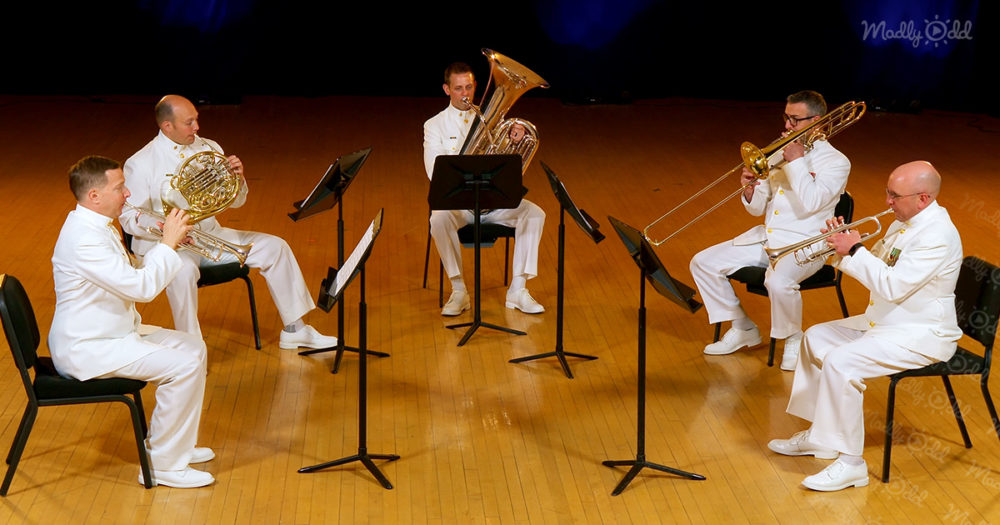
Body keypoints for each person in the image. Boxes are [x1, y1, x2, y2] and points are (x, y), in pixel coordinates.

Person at [768, 161, 962, 491]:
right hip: (888, 322)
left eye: (894, 195)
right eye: (888, 192)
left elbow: (892, 286)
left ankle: (851, 464)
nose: (887, 201)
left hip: (921, 333)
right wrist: (840, 246)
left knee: (842, 362)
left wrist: (855, 249)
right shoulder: (904, 222)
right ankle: (822, 437)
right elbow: (876, 267)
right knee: (815, 337)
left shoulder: (937, 236)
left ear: (923, 198)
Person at [121, 94, 337, 350]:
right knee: (183, 271)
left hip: (210, 235)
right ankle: (191, 347)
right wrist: (167, 229)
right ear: (167, 126)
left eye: (196, 120)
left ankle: (295, 330)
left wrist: (238, 179)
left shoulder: (209, 147)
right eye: (189, 123)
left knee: (275, 247)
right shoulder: (141, 163)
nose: (197, 127)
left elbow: (234, 202)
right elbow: (129, 217)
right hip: (169, 246)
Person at [50, 155, 214, 488]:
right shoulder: (84, 239)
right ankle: (164, 466)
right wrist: (167, 244)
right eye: (120, 187)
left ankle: (173, 445)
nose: (128, 194)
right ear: (94, 196)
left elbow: (131, 273)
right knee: (183, 367)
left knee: (193, 347)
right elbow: (142, 289)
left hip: (113, 333)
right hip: (88, 347)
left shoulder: (96, 225)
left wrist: (167, 245)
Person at [689, 90, 851, 370]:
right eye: (786, 117)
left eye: (795, 119)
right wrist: (750, 188)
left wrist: (797, 161)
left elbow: (812, 202)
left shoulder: (836, 162)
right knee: (703, 262)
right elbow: (757, 209)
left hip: (807, 244)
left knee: (777, 282)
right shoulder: (778, 152)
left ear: (817, 122)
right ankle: (743, 328)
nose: (787, 125)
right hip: (769, 239)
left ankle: (793, 337)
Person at [424, 62, 546, 316]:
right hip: (458, 205)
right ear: (447, 90)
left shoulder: (491, 121)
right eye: (458, 88)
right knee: (438, 219)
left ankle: (518, 290)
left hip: (492, 202)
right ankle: (459, 290)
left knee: (535, 214)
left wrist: (514, 143)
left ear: (476, 86)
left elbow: (506, 169)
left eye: (469, 87)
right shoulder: (434, 125)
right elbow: (434, 173)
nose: (465, 94)